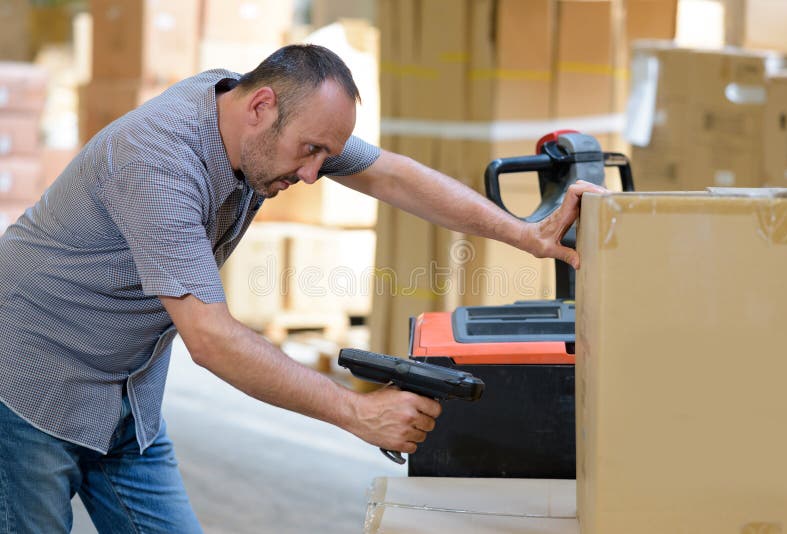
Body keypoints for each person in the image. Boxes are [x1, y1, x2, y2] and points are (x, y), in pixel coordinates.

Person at [0, 44, 605, 533]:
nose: (315, 174)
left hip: (124, 391)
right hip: (31, 380)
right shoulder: (158, 163)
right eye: (310, 152)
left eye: (327, 155)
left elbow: (389, 173)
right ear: (261, 106)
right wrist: (355, 411)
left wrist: (526, 234)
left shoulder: (246, 108)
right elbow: (210, 339)